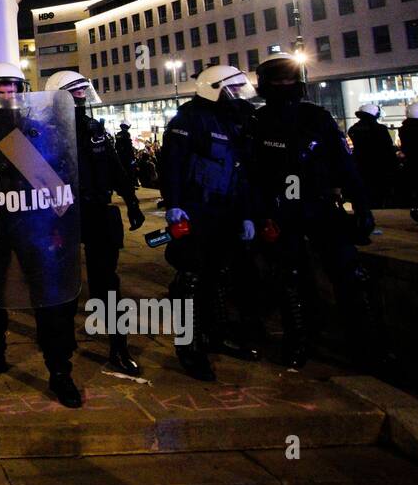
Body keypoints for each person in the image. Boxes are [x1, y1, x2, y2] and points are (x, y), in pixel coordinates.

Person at [0, 63, 85, 407]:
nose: (6, 93)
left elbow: (60, 172)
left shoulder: (38, 129)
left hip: (35, 225)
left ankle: (60, 371)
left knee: (47, 298)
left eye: (12, 87)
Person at [248, 53, 385, 370]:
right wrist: (259, 212)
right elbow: (252, 175)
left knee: (350, 274)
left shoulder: (317, 118)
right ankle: (299, 339)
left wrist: (362, 205)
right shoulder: (257, 123)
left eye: (290, 79)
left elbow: (345, 165)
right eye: (279, 81)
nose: (286, 85)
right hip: (282, 209)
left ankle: (365, 345)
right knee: (290, 276)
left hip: (319, 204)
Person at [158, 64, 257, 380]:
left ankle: (216, 335)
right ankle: (188, 347)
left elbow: (241, 172)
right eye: (233, 88)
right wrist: (174, 205)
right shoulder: (188, 120)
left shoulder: (235, 121)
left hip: (225, 211)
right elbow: (171, 166)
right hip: (195, 210)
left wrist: (245, 214)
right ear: (215, 88)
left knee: (218, 276)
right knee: (190, 279)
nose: (239, 94)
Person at [44, 70, 146, 377]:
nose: (81, 96)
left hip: (99, 210)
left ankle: (118, 347)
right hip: (64, 213)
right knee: (64, 283)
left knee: (107, 283)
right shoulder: (46, 131)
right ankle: (62, 345)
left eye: (82, 91)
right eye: (74, 91)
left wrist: (132, 201)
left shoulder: (93, 127)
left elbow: (114, 167)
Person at [346, 103, 398, 210]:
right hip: (379, 167)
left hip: (360, 165)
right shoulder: (380, 129)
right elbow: (388, 149)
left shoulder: (353, 129)